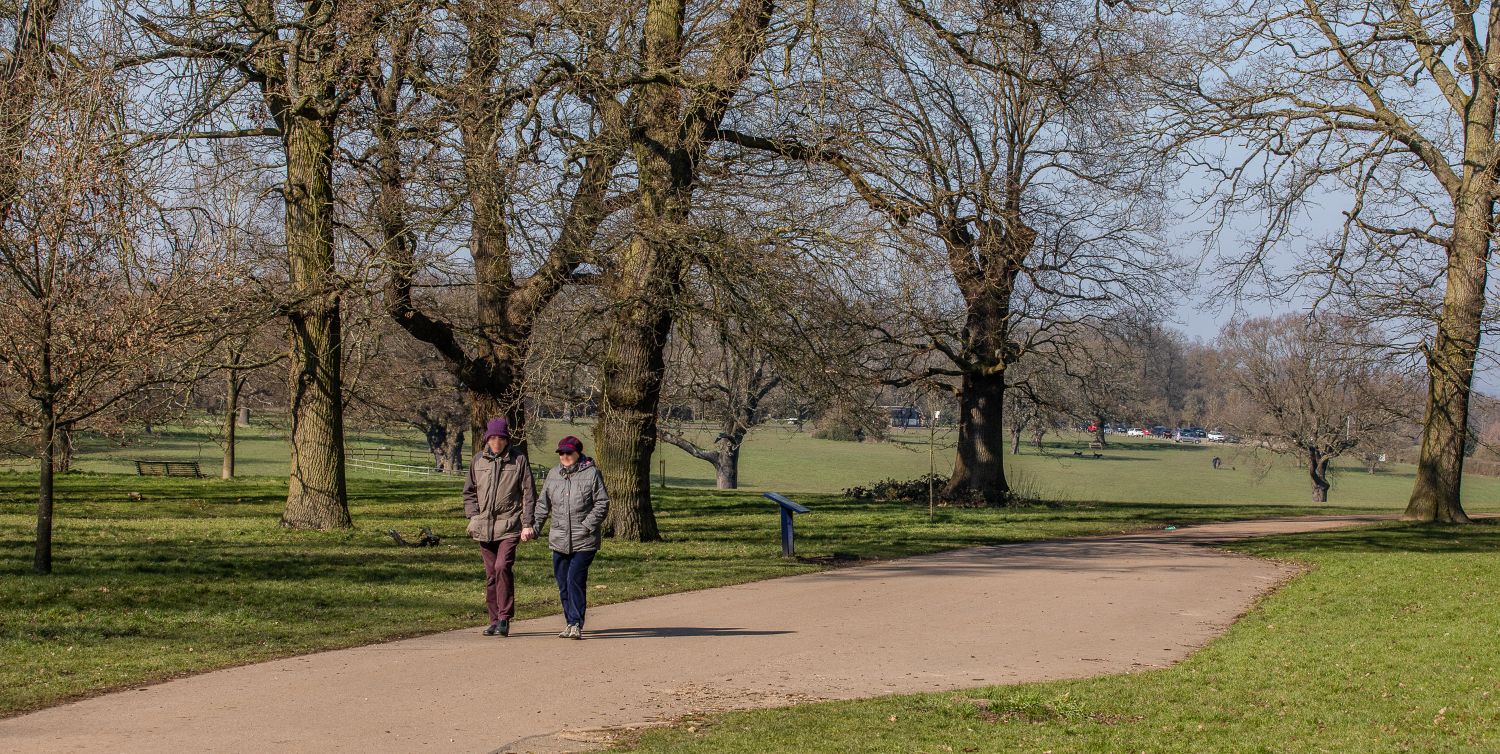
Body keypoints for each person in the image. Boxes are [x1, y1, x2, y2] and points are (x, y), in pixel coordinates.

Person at [463, 417, 535, 637]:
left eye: (500, 438)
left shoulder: (518, 460)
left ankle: (505, 617)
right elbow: (469, 492)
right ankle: (493, 620)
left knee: (502, 567)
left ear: (506, 440)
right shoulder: (478, 460)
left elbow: (529, 493)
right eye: (493, 438)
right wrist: (473, 516)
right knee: (491, 574)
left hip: (510, 524)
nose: (496, 442)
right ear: (487, 438)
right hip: (483, 526)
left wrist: (527, 523)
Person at [530, 435, 609, 639]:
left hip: (584, 540)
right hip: (559, 537)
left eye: (569, 453)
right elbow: (542, 505)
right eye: (562, 453)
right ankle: (569, 621)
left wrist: (586, 526)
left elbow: (602, 503)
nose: (565, 456)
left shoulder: (591, 474)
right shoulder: (553, 474)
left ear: (578, 453)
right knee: (563, 582)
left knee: (574, 578)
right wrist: (535, 528)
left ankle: (576, 622)